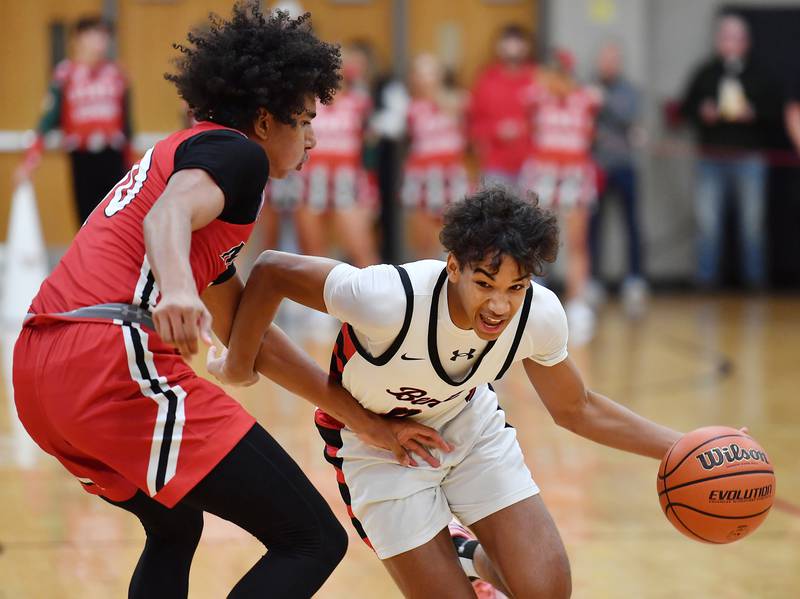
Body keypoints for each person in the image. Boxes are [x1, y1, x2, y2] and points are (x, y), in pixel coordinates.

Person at [12, 5, 446, 598]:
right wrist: (179, 290)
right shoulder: (236, 154)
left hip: (39, 373)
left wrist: (365, 421)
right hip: (108, 360)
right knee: (313, 538)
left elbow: (249, 330)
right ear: (265, 120)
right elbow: (168, 214)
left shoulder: (195, 156)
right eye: (305, 118)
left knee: (175, 524)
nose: (314, 136)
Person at [210, 186, 683, 598]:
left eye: (516, 287)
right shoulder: (387, 299)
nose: (499, 305)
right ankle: (459, 552)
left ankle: (470, 554)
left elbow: (576, 406)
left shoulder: (537, 316)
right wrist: (237, 362)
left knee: (546, 589)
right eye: (485, 283)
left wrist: (681, 447)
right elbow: (272, 270)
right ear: (453, 266)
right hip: (373, 447)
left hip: (467, 426)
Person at [679, 13, 776, 289]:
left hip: (749, 159)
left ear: (746, 42)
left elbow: (776, 111)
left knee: (752, 225)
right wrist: (702, 112)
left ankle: (755, 282)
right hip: (711, 158)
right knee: (707, 225)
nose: (730, 43)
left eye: (736, 38)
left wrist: (753, 113)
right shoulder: (705, 73)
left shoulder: (761, 74)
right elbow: (685, 109)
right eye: (725, 37)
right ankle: (706, 281)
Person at [15, 16, 132, 225]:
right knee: (87, 221)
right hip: (82, 157)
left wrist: (133, 166)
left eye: (105, 36)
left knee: (118, 220)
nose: (101, 42)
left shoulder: (117, 75)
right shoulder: (65, 74)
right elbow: (47, 120)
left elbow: (128, 126)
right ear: (78, 38)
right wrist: (30, 161)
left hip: (113, 158)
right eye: (95, 35)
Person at [519, 49, 602, 345]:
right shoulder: (536, 97)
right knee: (533, 237)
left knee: (576, 241)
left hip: (575, 171)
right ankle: (529, 296)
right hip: (544, 169)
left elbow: (593, 129)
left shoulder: (586, 99)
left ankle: (577, 303)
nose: (546, 79)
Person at [291, 43, 380, 268]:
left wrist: (370, 189)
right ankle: (316, 304)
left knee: (361, 249)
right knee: (313, 254)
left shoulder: (360, 101)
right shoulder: (307, 101)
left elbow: (370, 148)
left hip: (347, 178)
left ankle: (376, 299)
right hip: (312, 176)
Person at [589, 41, 648, 316]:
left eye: (613, 59)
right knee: (593, 226)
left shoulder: (629, 91)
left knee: (632, 224)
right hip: (597, 167)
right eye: (605, 59)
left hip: (625, 166)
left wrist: (602, 101)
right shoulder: (587, 88)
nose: (608, 64)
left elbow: (626, 117)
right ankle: (593, 281)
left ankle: (635, 280)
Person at [402, 53, 470, 259]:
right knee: (423, 241)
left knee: (457, 238)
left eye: (429, 71)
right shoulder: (410, 107)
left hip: (449, 172)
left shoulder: (458, 100)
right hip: (421, 173)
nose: (425, 78)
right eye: (420, 72)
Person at [468, 24, 537, 187]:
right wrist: (496, 131)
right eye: (508, 42)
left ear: (526, 47)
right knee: (495, 212)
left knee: (530, 212)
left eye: (518, 42)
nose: (513, 48)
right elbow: (473, 122)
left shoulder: (536, 78)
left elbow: (547, 119)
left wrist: (524, 128)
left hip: (532, 164)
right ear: (499, 46)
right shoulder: (486, 80)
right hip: (495, 164)